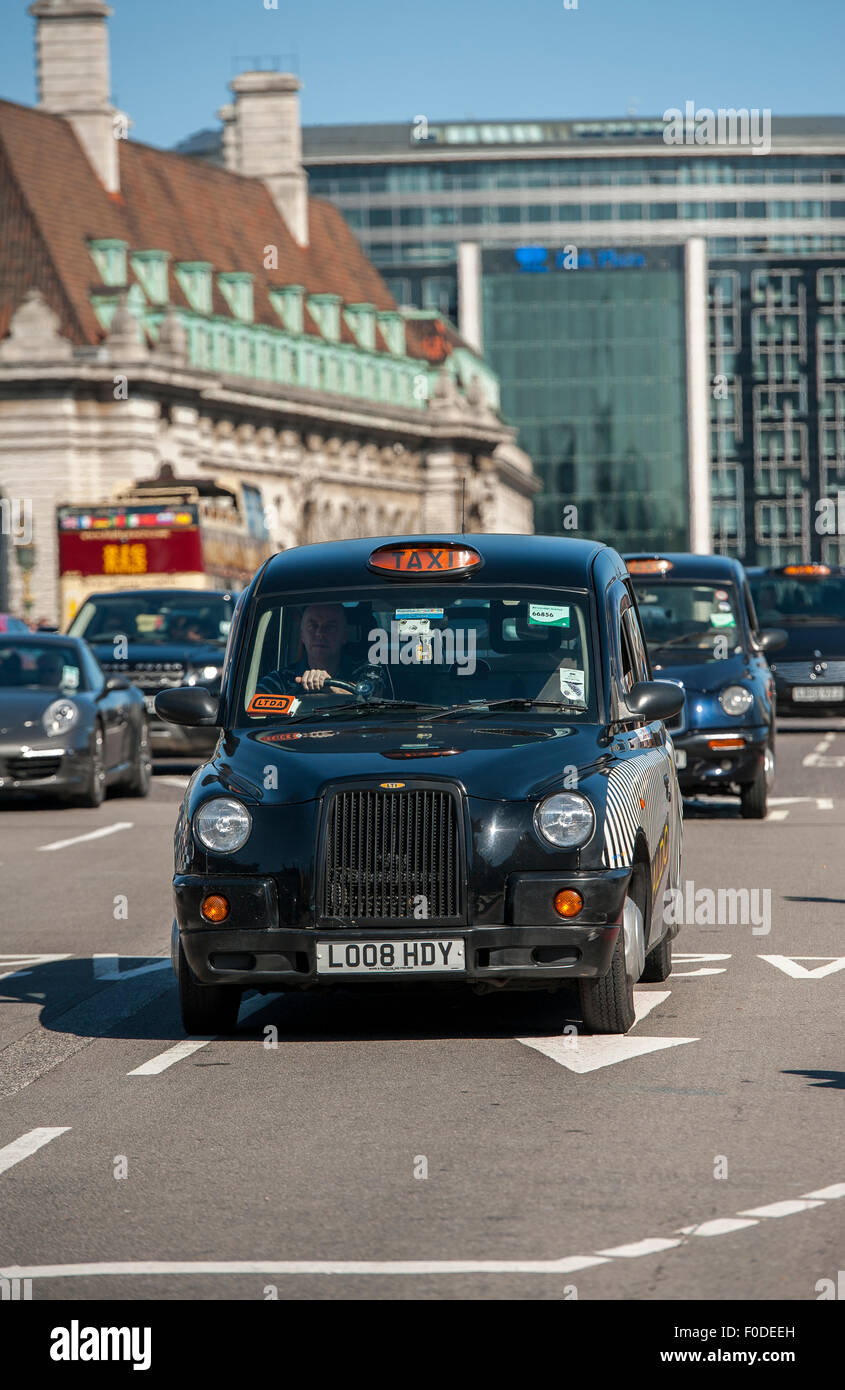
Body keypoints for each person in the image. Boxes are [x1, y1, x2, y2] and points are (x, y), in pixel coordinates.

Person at [258, 603, 381, 697]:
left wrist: (330, 685)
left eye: (330, 627)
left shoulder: (368, 671)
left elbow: (373, 695)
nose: (320, 633)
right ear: (302, 635)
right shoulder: (281, 680)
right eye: (312, 626)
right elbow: (250, 710)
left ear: (345, 635)